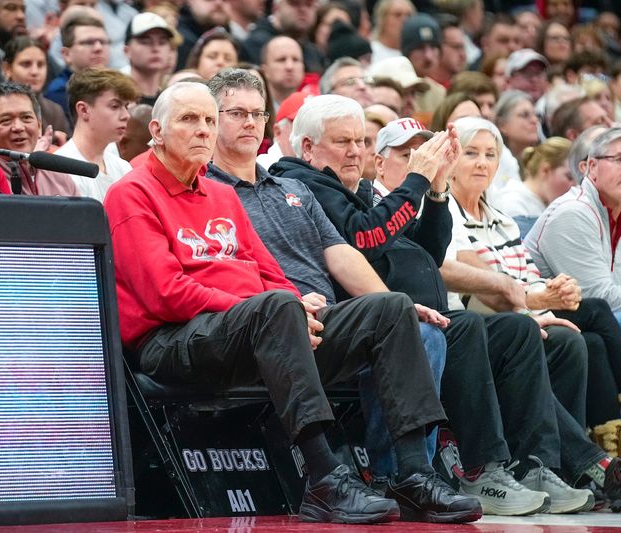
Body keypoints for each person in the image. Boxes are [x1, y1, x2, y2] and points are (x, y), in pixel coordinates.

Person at [104, 80, 473, 525]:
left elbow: (270, 273)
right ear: (157, 131)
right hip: (174, 341)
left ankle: (412, 473)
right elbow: (166, 294)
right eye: (189, 120)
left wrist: (297, 308)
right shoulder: (131, 193)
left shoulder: (220, 194)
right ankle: (325, 478)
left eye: (208, 120)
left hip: (255, 330)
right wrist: (276, 308)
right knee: (278, 305)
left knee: (389, 309)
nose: (203, 129)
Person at [270, 104, 605, 514]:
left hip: (415, 314)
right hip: (362, 324)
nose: (355, 150)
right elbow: (366, 239)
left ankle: (526, 466)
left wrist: (437, 190)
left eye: (360, 140)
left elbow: (429, 250)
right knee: (458, 328)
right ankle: (442, 471)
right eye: (344, 142)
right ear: (307, 146)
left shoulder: (357, 192)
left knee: (517, 333)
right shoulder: (307, 185)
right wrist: (416, 181)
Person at [204, 69, 456, 500]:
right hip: (263, 325)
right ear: (212, 121)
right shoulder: (204, 189)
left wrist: (396, 306)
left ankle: (412, 475)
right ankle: (371, 473)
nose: (250, 122)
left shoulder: (291, 188)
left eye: (257, 113)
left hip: (325, 323)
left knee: (403, 314)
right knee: (297, 310)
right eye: (236, 113)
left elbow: (342, 254)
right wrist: (290, 301)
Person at [447, 116, 621, 432]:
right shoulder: (443, 212)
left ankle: (593, 447)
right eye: (471, 153)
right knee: (593, 311)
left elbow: (527, 273)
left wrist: (556, 288)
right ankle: (590, 452)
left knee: (588, 342)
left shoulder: (502, 220)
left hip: (525, 309)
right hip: (481, 320)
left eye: (490, 154)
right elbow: (478, 287)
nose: (482, 163)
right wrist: (538, 300)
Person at [527, 127, 621, 321]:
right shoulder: (573, 213)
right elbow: (599, 299)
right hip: (537, 323)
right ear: (591, 167)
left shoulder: (614, 210)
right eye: (619, 160)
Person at [55, 68, 138, 201]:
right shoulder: (59, 169)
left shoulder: (123, 168)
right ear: (84, 110)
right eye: (115, 106)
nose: (126, 116)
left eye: (126, 107)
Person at [0, 82, 78, 196]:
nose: (18, 127)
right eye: (6, 120)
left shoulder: (58, 175)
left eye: (26, 118)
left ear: (39, 127)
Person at [495, 136, 573, 237]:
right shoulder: (513, 203)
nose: (574, 186)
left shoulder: (543, 203)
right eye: (569, 177)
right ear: (545, 170)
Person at [2, 36, 71, 139]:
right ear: (7, 69)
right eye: (26, 64)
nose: (35, 72)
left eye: (40, 65)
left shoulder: (55, 110)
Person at [124, 12, 174, 106]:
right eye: (145, 42)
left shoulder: (170, 102)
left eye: (162, 42)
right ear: (127, 51)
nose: (156, 48)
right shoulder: (119, 100)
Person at [260, 35, 304, 113]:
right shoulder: (256, 110)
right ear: (265, 70)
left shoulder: (314, 107)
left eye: (295, 60)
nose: (290, 66)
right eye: (281, 60)